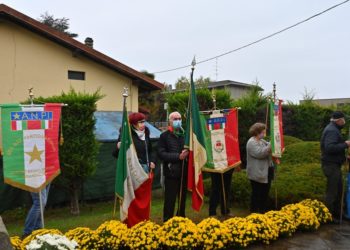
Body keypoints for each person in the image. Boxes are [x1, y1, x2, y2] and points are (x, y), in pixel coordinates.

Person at [158, 111, 189, 222]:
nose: (178, 121)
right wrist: (178, 156)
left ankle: (181, 218)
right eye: (175, 119)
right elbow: (161, 154)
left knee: (182, 198)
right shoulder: (164, 136)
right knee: (170, 199)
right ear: (169, 121)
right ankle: (167, 220)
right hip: (171, 173)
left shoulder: (185, 135)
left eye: (179, 118)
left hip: (184, 172)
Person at [321, 111, 350, 223]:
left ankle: (338, 214)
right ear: (339, 120)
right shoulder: (332, 131)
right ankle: (328, 216)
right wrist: (346, 144)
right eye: (344, 120)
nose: (345, 122)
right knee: (332, 192)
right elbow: (330, 148)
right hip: (331, 165)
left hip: (334, 164)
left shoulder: (333, 129)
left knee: (338, 190)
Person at [246, 122, 272, 213]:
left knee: (264, 193)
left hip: (265, 172)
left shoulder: (261, 141)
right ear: (257, 132)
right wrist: (271, 145)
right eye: (263, 132)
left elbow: (268, 147)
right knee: (257, 193)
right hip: (256, 173)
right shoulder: (251, 142)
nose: (264, 133)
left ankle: (262, 211)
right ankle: (254, 212)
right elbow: (260, 153)